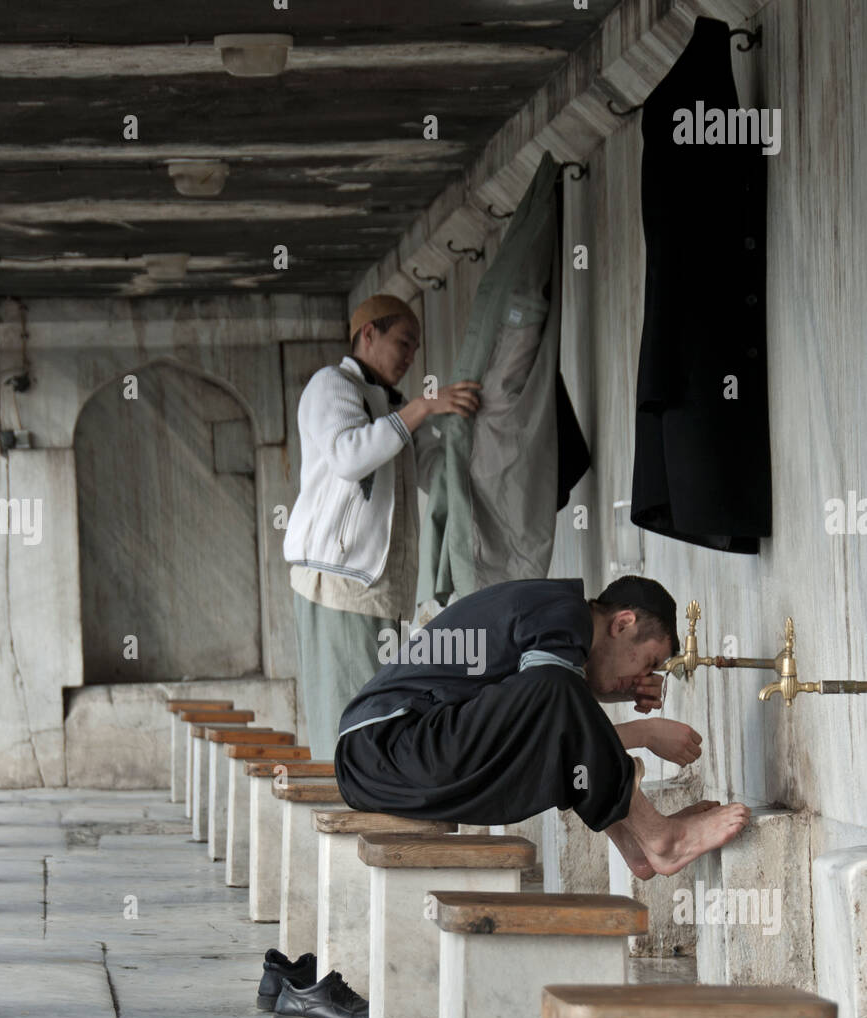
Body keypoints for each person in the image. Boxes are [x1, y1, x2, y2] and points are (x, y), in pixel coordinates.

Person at [333, 573, 751, 878]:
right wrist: (646, 733)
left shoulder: (554, 619)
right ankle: (662, 839)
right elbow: (554, 714)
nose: (640, 679)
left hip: (382, 761)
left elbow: (531, 718)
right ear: (622, 623)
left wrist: (608, 695)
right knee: (558, 693)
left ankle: (635, 843)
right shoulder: (563, 611)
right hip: (387, 744)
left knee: (561, 697)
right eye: (647, 662)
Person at [283, 294, 481, 757]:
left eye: (415, 347)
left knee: (376, 707)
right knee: (350, 716)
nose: (411, 356)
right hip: (338, 580)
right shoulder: (330, 386)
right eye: (404, 342)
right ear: (368, 334)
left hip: (380, 588)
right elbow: (350, 456)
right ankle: (347, 816)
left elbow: (436, 472)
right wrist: (422, 408)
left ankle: (366, 813)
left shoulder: (390, 404)